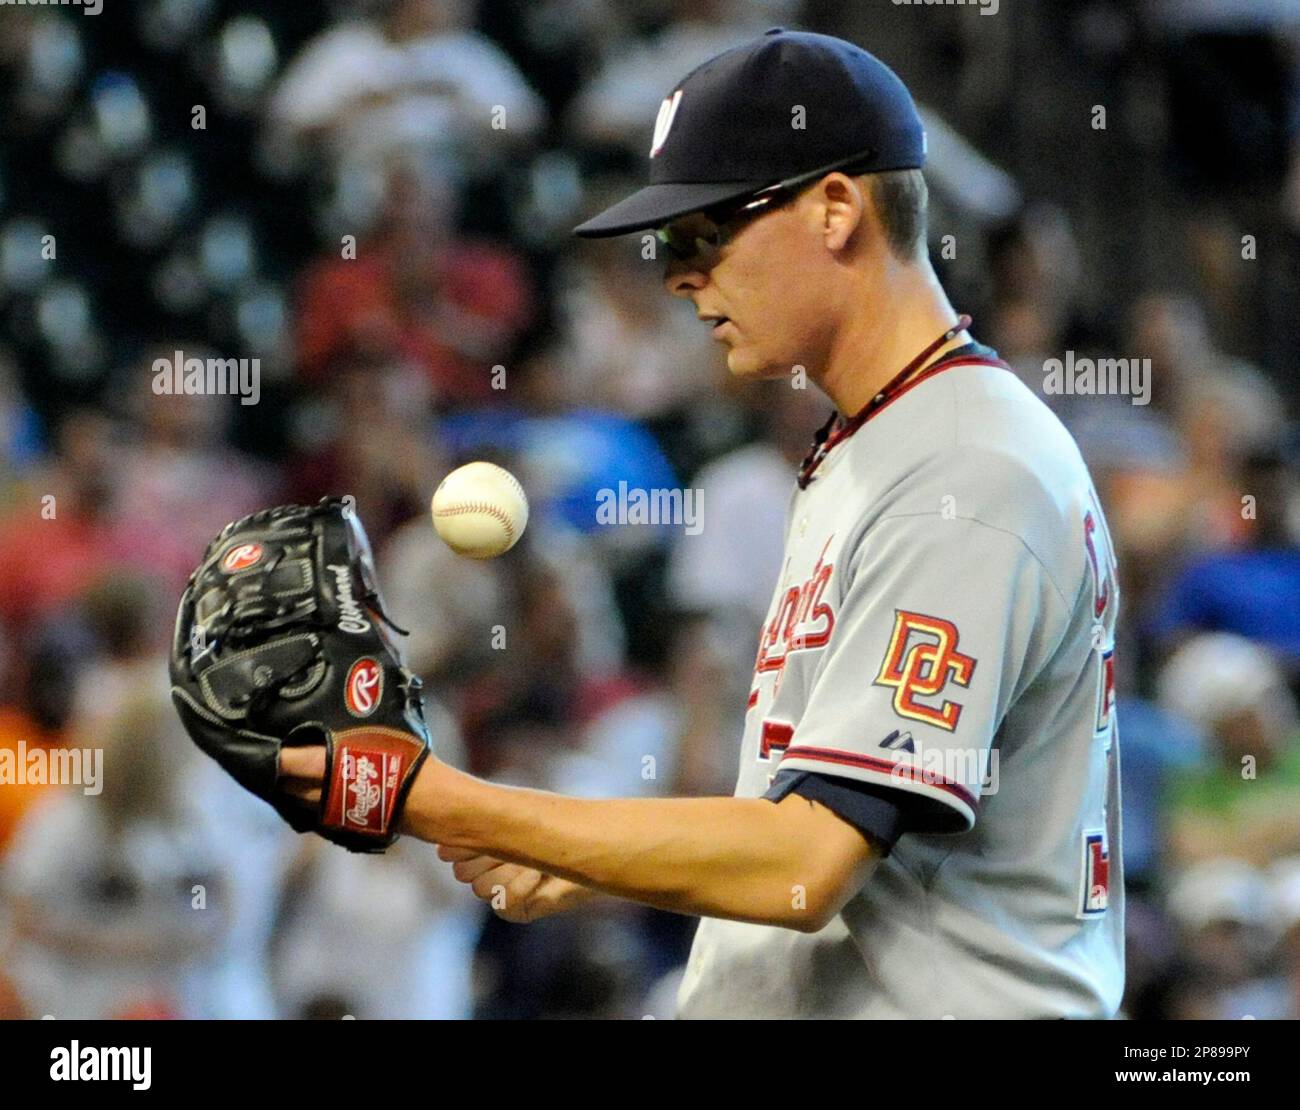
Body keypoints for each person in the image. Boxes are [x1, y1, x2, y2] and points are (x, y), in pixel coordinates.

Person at [278, 29, 1125, 1019]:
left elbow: (808, 865)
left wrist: (439, 800)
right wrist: (593, 852)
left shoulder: (968, 467)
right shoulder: (882, 443)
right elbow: (813, 824)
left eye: (702, 234)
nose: (678, 276)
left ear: (837, 210)